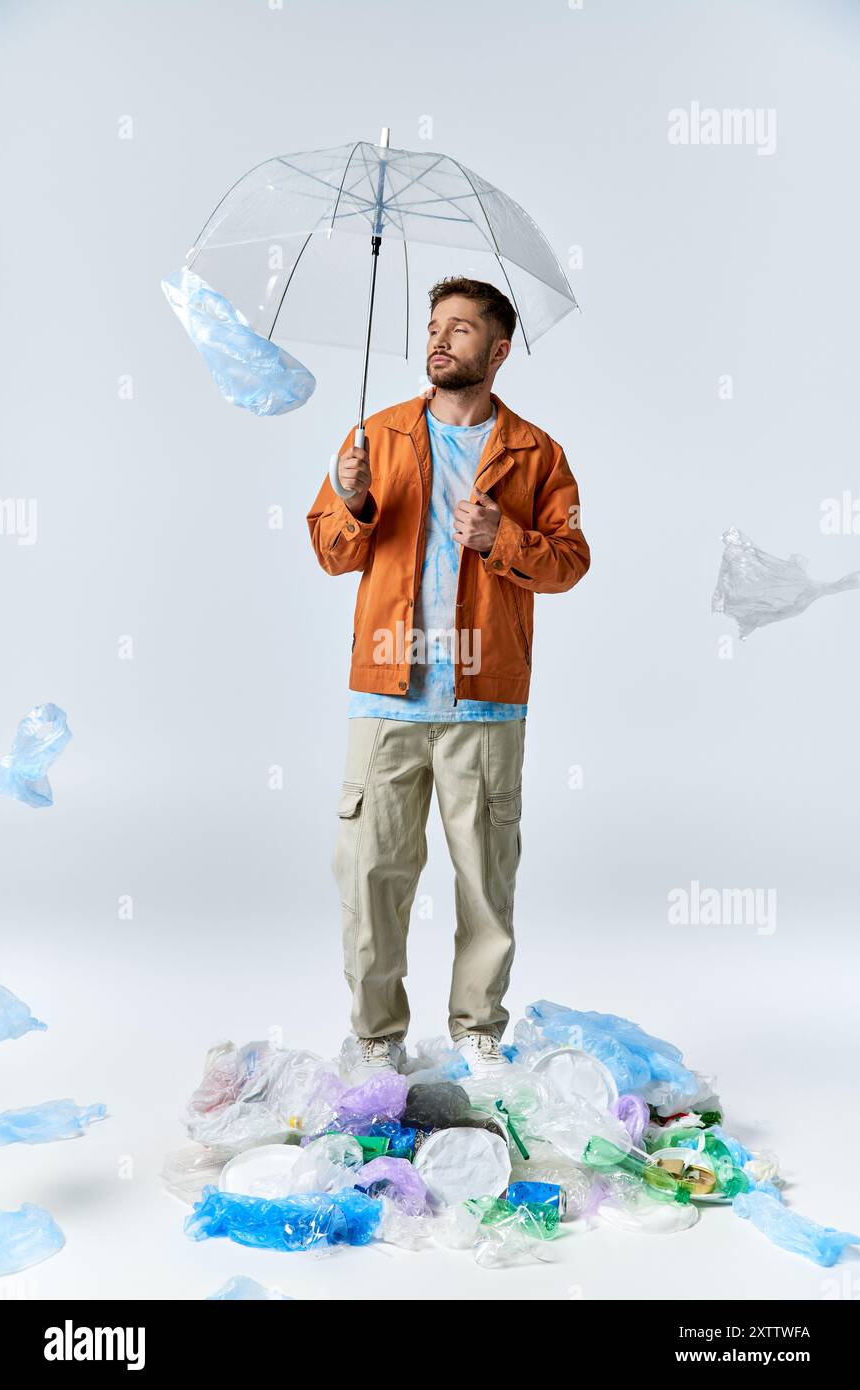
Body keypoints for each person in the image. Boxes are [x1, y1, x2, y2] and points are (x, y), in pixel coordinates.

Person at [307, 277, 589, 1079]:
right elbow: (331, 551)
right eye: (434, 327)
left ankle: (477, 1038)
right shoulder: (379, 436)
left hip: (486, 701)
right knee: (369, 876)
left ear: (497, 353)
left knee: (485, 883)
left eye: (460, 330)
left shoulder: (537, 454)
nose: (440, 340)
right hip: (385, 696)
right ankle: (375, 1044)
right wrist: (352, 501)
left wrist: (505, 535)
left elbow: (570, 562)